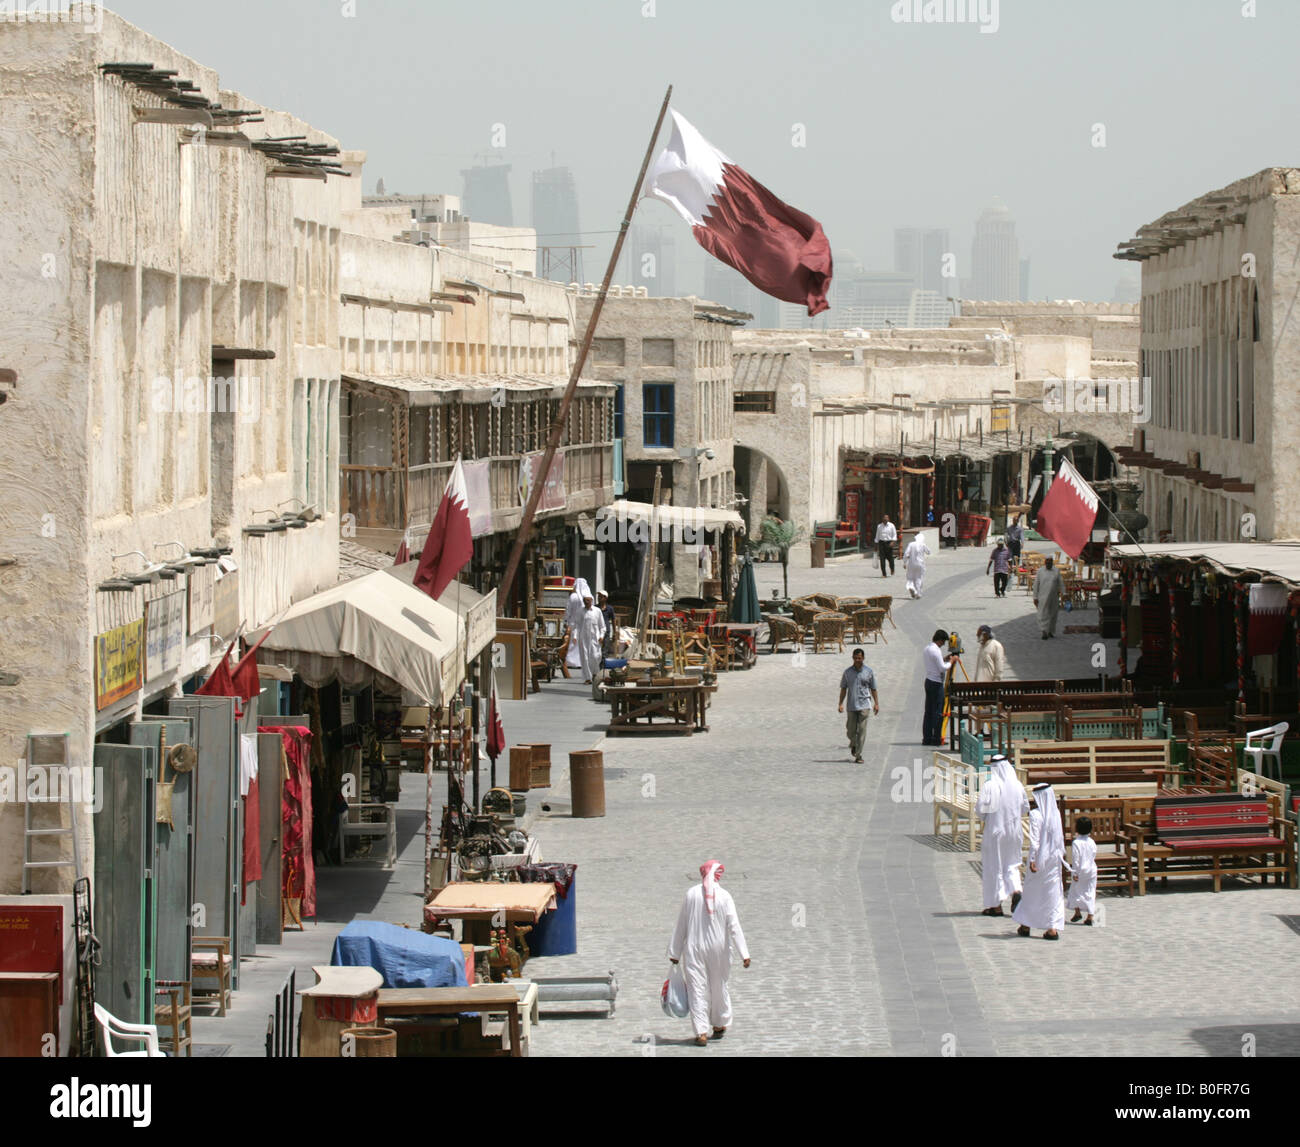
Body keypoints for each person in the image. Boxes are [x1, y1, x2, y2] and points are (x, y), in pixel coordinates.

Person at [667, 860, 751, 1046]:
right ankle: (719, 1023)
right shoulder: (725, 896)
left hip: (694, 948)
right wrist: (744, 954)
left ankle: (701, 1031)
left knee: (696, 989)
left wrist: (675, 952)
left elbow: (681, 924)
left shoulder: (691, 894)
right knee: (718, 985)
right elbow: (734, 926)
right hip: (719, 949)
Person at [976, 754, 1029, 916]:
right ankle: (1016, 890)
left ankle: (996, 905)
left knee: (994, 866)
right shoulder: (1017, 785)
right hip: (1014, 831)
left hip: (995, 831)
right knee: (1012, 864)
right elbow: (1025, 808)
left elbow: (980, 810)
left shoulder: (990, 785)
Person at [1013, 782, 1066, 940]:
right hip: (1054, 858)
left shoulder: (1036, 814)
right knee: (1052, 892)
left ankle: (1025, 925)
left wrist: (1034, 859)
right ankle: (1052, 929)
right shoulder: (1055, 813)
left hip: (1039, 859)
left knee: (1031, 892)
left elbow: (1035, 840)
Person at [837, 647, 880, 763]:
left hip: (865, 704)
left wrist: (876, 703)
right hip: (851, 705)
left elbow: (873, 688)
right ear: (852, 658)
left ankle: (858, 755)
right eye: (855, 658)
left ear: (863, 658)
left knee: (862, 730)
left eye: (859, 658)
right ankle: (853, 744)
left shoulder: (868, 672)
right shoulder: (847, 672)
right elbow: (843, 689)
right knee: (850, 730)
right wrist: (840, 703)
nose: (857, 660)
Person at [922, 628, 953, 746]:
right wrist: (951, 661)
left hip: (928, 681)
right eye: (943, 642)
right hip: (936, 683)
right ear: (940, 640)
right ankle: (936, 738)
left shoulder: (927, 648)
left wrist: (944, 659)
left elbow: (935, 663)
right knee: (937, 712)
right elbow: (942, 668)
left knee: (928, 711)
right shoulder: (936, 650)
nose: (943, 644)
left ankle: (927, 737)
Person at [1067, 816, 1098, 926]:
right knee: (1090, 892)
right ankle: (1090, 915)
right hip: (1091, 870)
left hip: (1080, 871)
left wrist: (1075, 873)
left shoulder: (1076, 843)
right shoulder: (1092, 842)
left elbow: (1076, 859)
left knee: (1075, 891)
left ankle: (1077, 912)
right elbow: (1094, 854)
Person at [563, 577, 593, 670]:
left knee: (573, 643)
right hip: (586, 623)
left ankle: (572, 662)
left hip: (573, 622)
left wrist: (566, 620)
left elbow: (568, 610)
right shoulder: (590, 597)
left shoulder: (573, 596)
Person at [576, 594, 606, 685]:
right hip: (583, 639)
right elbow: (577, 625)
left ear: (592, 600)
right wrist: (575, 637)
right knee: (585, 658)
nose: (586, 602)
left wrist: (601, 636)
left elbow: (602, 627)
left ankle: (594, 673)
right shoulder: (580, 611)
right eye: (585, 600)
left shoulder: (597, 611)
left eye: (588, 600)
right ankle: (587, 678)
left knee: (596, 657)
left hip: (595, 639)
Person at [1033, 557, 1063, 640]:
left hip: (1054, 597)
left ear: (1052, 563)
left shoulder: (1056, 571)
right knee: (1043, 614)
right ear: (1045, 563)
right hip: (1042, 596)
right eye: (1047, 562)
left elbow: (1061, 583)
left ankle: (1051, 631)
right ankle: (1044, 631)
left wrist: (1065, 593)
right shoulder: (1040, 571)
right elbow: (1036, 585)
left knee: (1053, 614)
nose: (1049, 564)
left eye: (1050, 562)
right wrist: (1035, 597)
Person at [902, 531, 931, 599]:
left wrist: (904, 563)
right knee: (919, 578)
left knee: (910, 578)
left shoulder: (911, 544)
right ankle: (918, 593)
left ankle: (911, 587)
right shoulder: (923, 544)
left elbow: (906, 554)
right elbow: (929, 552)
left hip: (911, 564)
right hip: (920, 564)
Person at [597, 589, 617, 657]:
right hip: (597, 630)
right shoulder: (595, 608)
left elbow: (613, 620)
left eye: (601, 596)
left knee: (605, 649)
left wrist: (614, 633)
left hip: (606, 630)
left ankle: (603, 664)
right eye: (598, 596)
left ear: (605, 598)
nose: (599, 598)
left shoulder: (610, 608)